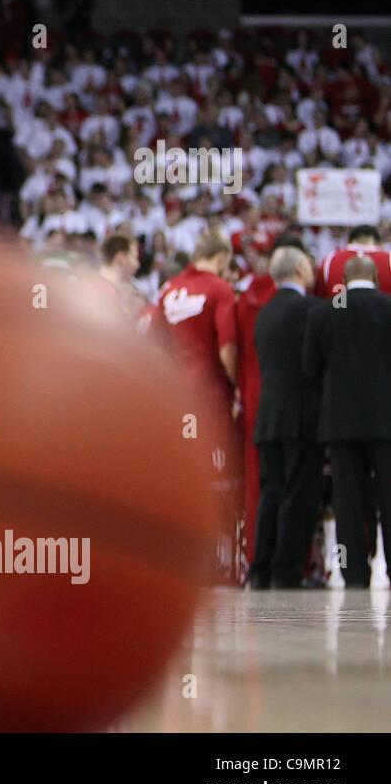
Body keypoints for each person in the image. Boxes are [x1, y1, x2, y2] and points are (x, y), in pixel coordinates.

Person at [157, 230, 244, 584]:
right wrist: (239, 387)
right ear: (222, 256)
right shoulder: (219, 290)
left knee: (181, 473)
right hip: (209, 393)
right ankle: (219, 563)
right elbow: (227, 348)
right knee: (218, 477)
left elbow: (157, 345)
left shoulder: (168, 289)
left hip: (176, 393)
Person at [302, 255, 391, 589]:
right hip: (386, 421)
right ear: (375, 277)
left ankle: (354, 575)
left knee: (347, 502)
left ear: (343, 278)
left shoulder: (324, 312)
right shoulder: (387, 306)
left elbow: (309, 369)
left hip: (339, 422)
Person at [251, 245, 324, 589]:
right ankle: (287, 570)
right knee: (299, 493)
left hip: (268, 416)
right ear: (298, 268)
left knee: (272, 493)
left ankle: (260, 568)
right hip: (301, 415)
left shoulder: (264, 313)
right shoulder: (311, 310)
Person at [315, 224, 391, 298]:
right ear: (379, 242)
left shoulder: (330, 259)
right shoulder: (388, 258)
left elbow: (320, 297)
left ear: (349, 241)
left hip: (339, 308)